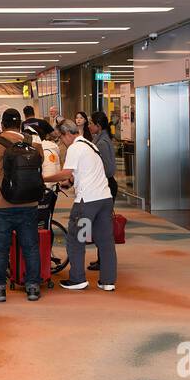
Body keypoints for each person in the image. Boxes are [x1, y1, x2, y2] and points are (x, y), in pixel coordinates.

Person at [0, 108, 42, 303]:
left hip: (0, 205)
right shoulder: (33, 144)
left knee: (1, 248)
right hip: (29, 203)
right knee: (30, 247)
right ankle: (33, 288)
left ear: (2, 125)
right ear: (20, 125)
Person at [47, 120, 117, 291]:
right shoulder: (90, 145)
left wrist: (43, 178)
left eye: (61, 137)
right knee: (105, 241)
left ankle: (78, 278)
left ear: (67, 134)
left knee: (76, 239)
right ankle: (107, 281)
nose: (62, 142)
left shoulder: (75, 148)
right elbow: (83, 172)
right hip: (104, 201)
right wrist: (70, 182)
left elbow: (65, 172)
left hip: (87, 204)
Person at [86, 110, 119, 273]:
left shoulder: (102, 143)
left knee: (102, 226)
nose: (89, 125)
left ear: (98, 126)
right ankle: (101, 259)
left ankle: (104, 260)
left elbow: (108, 168)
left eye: (91, 123)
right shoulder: (100, 139)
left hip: (106, 185)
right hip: (104, 185)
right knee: (100, 225)